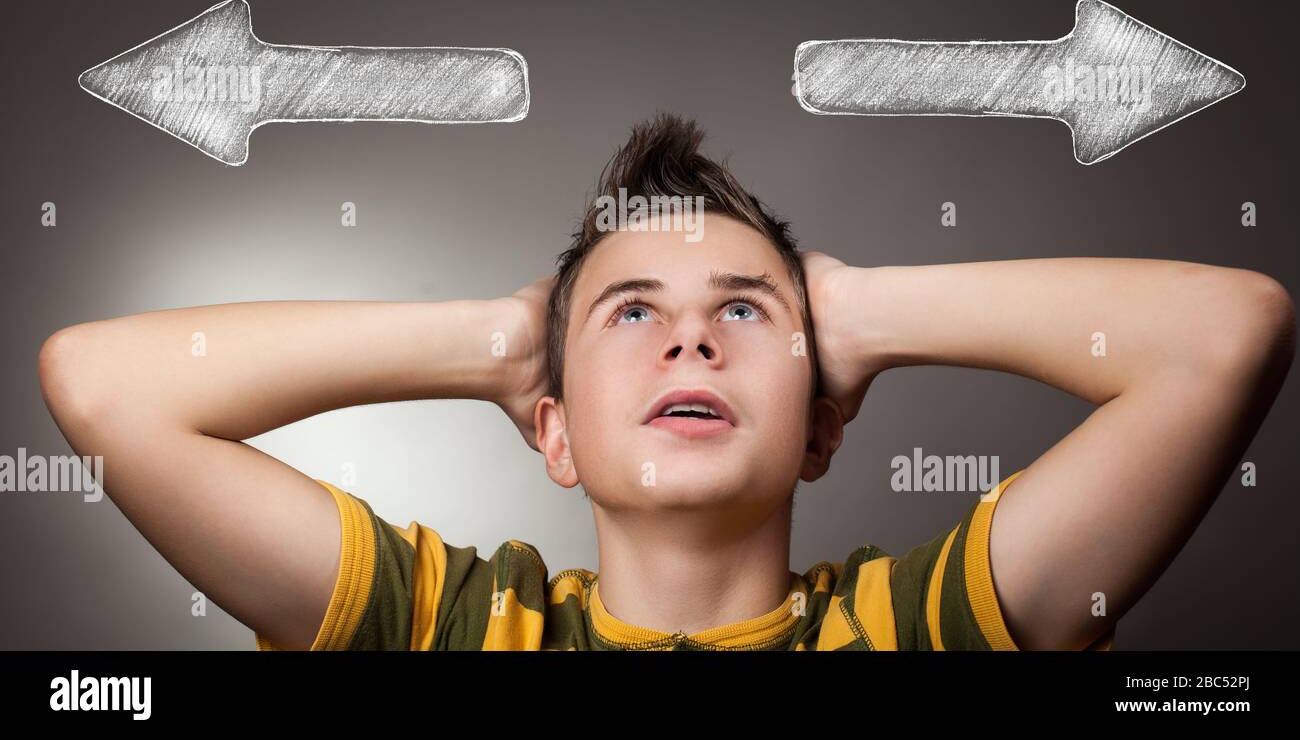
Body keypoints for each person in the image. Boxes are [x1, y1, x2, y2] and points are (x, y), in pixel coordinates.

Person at [38, 113, 1295, 650]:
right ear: (557, 431)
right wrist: (494, 340)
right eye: (632, 313)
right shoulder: (450, 625)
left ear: (820, 427)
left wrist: (854, 309)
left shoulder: (921, 627)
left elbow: (1228, 334)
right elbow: (101, 386)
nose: (690, 343)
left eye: (740, 314)